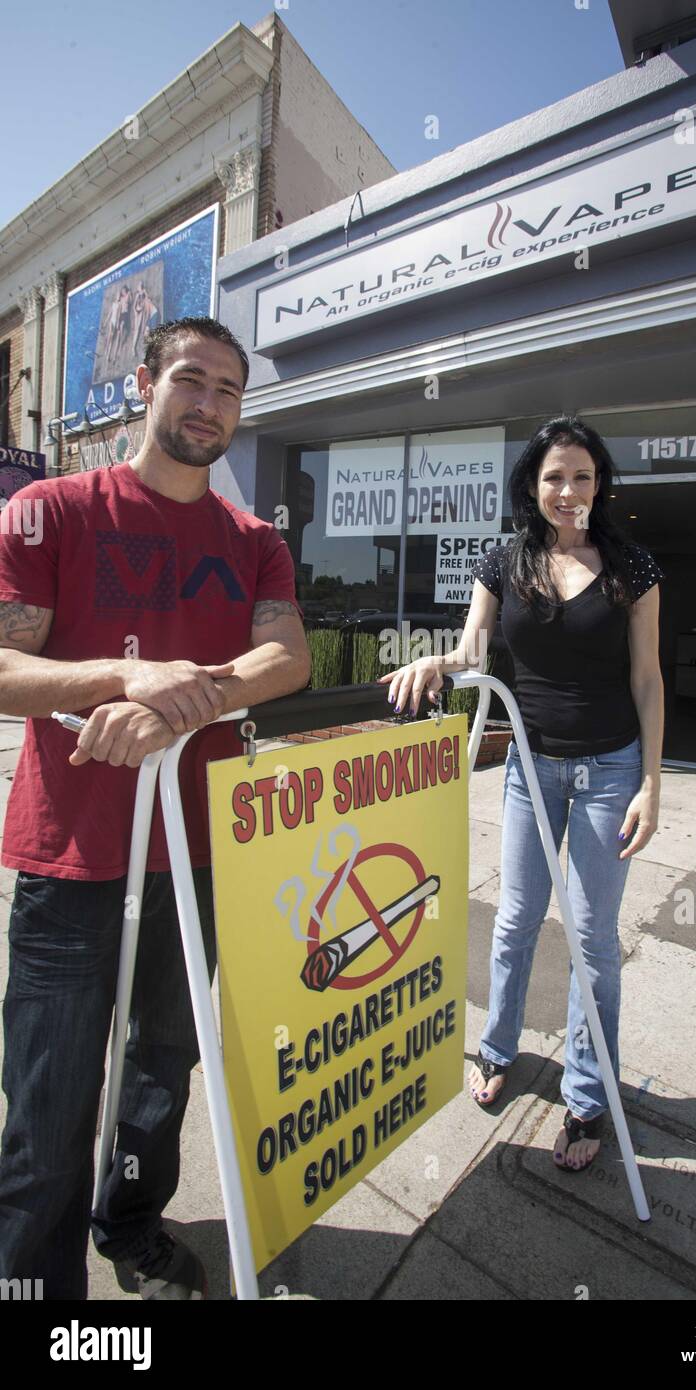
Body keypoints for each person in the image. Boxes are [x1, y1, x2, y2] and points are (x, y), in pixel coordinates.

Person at [0, 315, 311, 1300]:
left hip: (197, 859)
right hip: (70, 858)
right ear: (144, 383)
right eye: (190, 379)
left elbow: (287, 657)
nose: (208, 403)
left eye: (228, 389)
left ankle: (129, 1226)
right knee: (47, 1113)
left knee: (159, 1074)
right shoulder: (53, 509)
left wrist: (188, 697)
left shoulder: (253, 539)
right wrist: (127, 680)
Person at [378, 415, 664, 1175]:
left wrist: (652, 786)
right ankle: (499, 1047)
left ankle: (585, 1095)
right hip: (531, 769)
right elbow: (474, 651)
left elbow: (647, 678)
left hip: (610, 770)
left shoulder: (631, 567)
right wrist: (438, 662)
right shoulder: (505, 561)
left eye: (582, 476)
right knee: (514, 921)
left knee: (594, 941)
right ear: (532, 486)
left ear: (599, 483)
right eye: (553, 477)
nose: (568, 491)